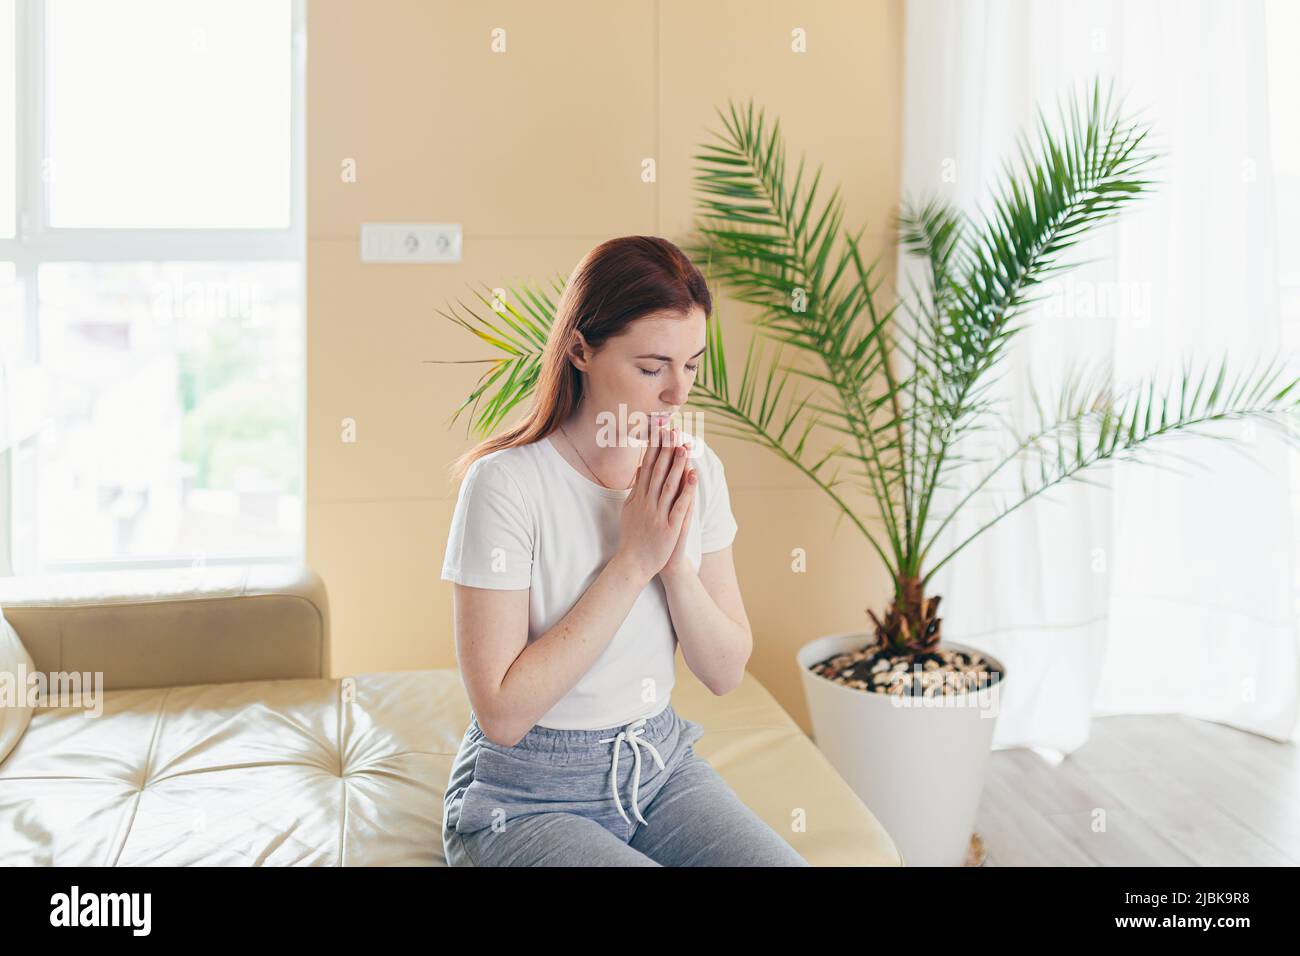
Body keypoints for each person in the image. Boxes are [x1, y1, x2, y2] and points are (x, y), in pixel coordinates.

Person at [439, 235, 809, 867]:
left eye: (692, 364)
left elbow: (723, 673)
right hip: (526, 798)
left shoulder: (697, 469)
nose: (678, 394)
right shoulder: (507, 484)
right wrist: (633, 561)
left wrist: (673, 565)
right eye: (650, 368)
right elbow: (501, 714)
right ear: (580, 349)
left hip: (657, 770)